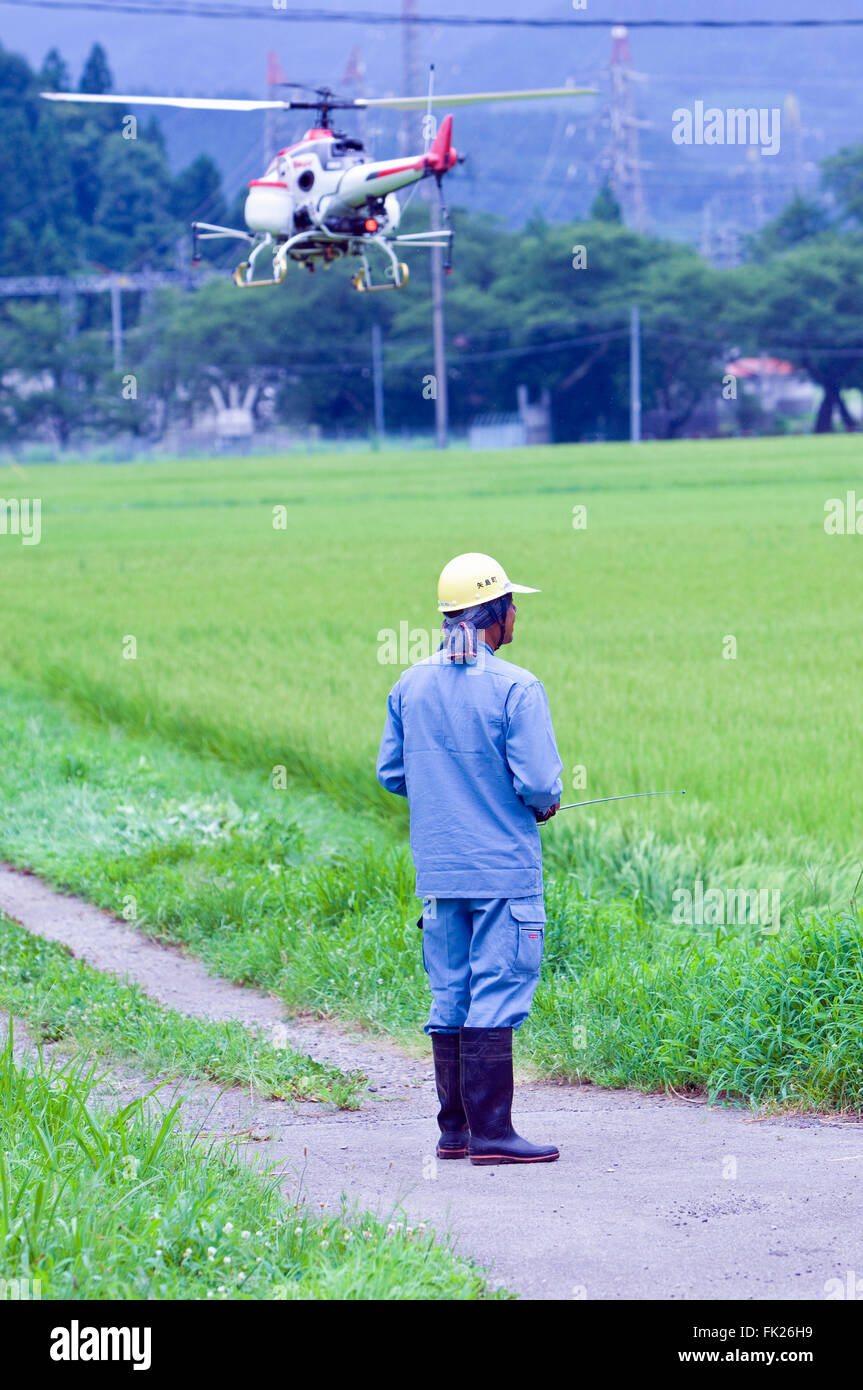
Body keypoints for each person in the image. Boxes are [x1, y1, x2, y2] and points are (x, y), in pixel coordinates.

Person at [376, 552, 563, 1165]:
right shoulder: (516, 687)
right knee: (498, 989)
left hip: (439, 869)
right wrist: (539, 805)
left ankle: (453, 1131)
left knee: (450, 990)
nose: (517, 616)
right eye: (513, 606)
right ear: (496, 615)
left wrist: (447, 787)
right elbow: (539, 784)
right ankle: (493, 1134)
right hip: (503, 871)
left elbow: (393, 774)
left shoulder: (409, 684)